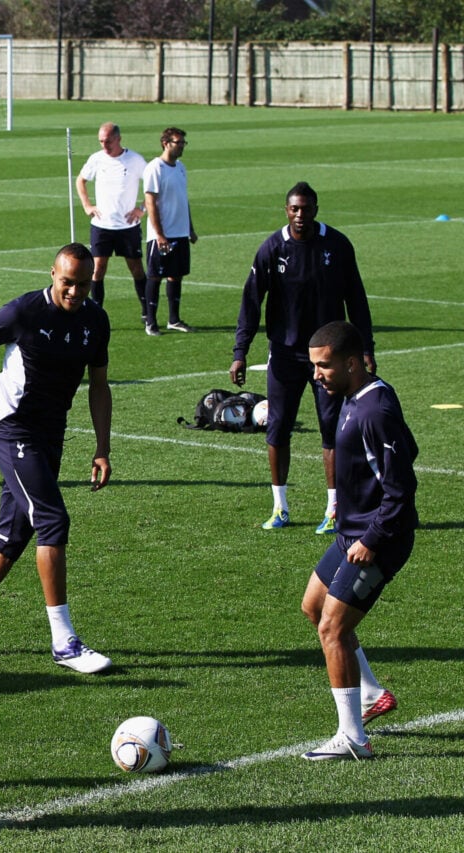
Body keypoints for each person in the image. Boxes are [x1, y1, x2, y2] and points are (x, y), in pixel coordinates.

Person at [0, 243, 113, 672]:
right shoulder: (24, 312)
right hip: (12, 430)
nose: (74, 292)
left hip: (50, 436)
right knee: (52, 520)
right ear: (52, 274)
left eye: (83, 285)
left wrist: (102, 447)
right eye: (67, 282)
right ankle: (64, 642)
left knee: (11, 539)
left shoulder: (95, 320)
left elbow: (99, 385)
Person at [229, 182, 376, 532]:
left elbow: (356, 298)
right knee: (278, 427)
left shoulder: (337, 245)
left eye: (306, 209)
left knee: (333, 429)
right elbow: (251, 301)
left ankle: (334, 509)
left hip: (329, 357)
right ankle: (280, 507)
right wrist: (240, 351)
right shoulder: (272, 248)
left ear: (315, 210)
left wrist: (365, 348)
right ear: (286, 210)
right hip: (285, 353)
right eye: (294, 209)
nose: (300, 215)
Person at [299, 320, 415, 760]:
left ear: (351, 363)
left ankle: (353, 738)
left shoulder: (374, 411)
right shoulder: (354, 396)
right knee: (314, 606)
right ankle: (370, 694)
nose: (317, 375)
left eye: (324, 366)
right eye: (314, 366)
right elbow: (408, 448)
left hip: (378, 538)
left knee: (333, 627)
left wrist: (372, 537)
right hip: (352, 531)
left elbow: (401, 490)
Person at [75, 122, 148, 314]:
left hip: (128, 226)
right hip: (102, 225)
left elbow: (153, 184)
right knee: (97, 269)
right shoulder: (96, 159)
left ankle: (147, 311)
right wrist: (87, 205)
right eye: (101, 141)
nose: (104, 145)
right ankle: (95, 312)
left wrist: (142, 208)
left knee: (136, 268)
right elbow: (80, 180)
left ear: (118, 139)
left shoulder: (135, 160)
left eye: (108, 141)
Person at [141, 127, 197, 336]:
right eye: (178, 142)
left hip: (180, 232)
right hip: (162, 235)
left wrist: (190, 228)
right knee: (155, 276)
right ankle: (151, 322)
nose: (182, 146)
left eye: (183, 143)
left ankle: (174, 319)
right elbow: (150, 202)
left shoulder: (180, 167)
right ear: (166, 143)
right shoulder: (155, 168)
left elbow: (183, 199)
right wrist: (159, 234)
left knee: (176, 275)